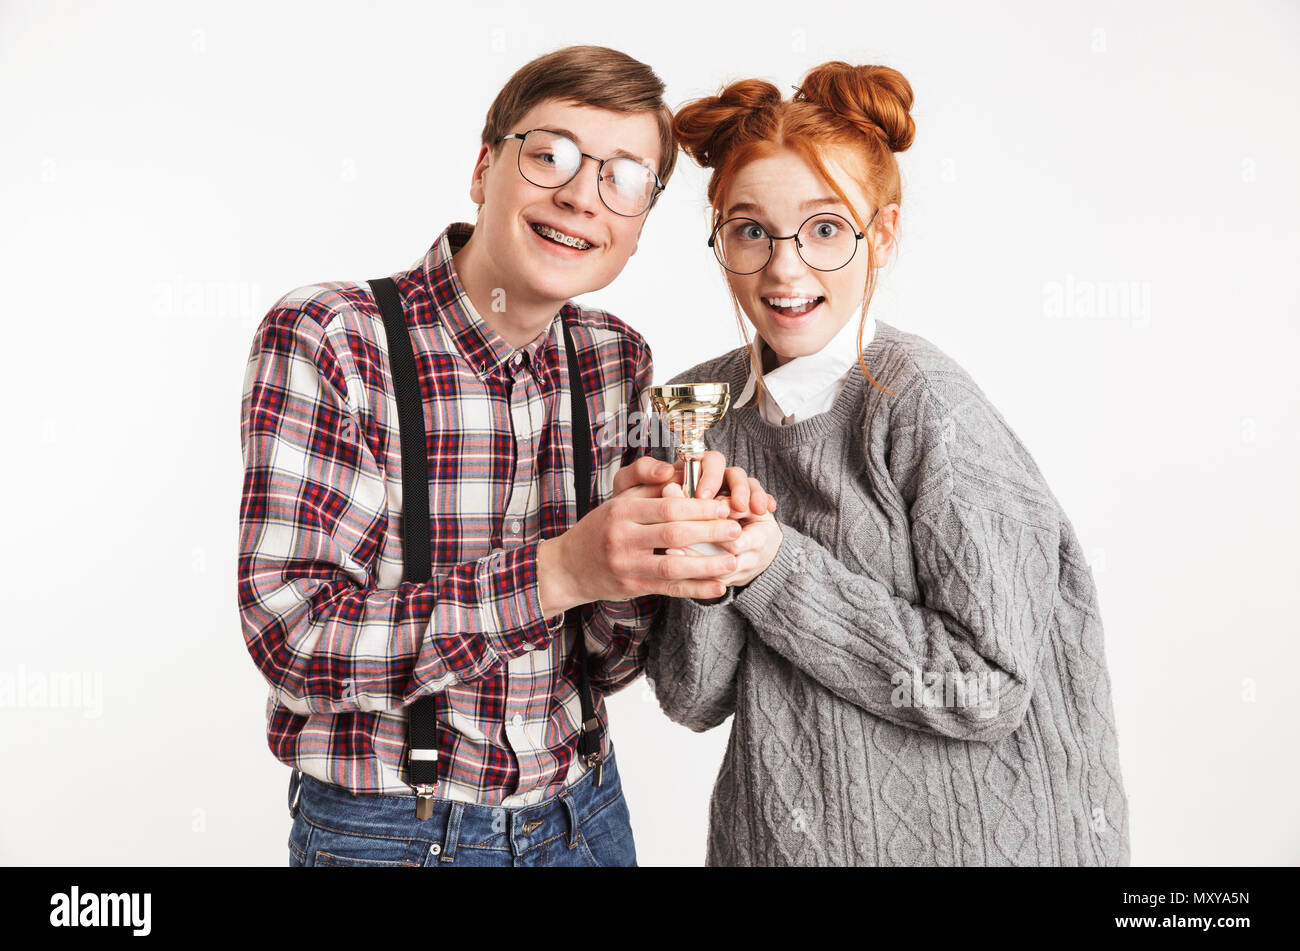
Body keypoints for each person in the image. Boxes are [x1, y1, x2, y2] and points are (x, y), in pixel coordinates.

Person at [237, 45, 774, 867]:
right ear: (485, 166)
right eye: (551, 154)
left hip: (586, 816)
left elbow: (608, 660)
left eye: (624, 178)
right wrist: (556, 570)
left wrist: (662, 559)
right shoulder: (333, 337)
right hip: (398, 830)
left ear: (639, 225)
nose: (580, 196)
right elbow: (295, 640)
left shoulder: (615, 359)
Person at [643, 61, 1131, 866]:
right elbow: (694, 700)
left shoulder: (922, 404)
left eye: (826, 228)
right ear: (720, 238)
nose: (784, 268)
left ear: (886, 234)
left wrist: (773, 567)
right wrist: (707, 568)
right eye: (750, 229)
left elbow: (988, 685)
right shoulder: (699, 408)